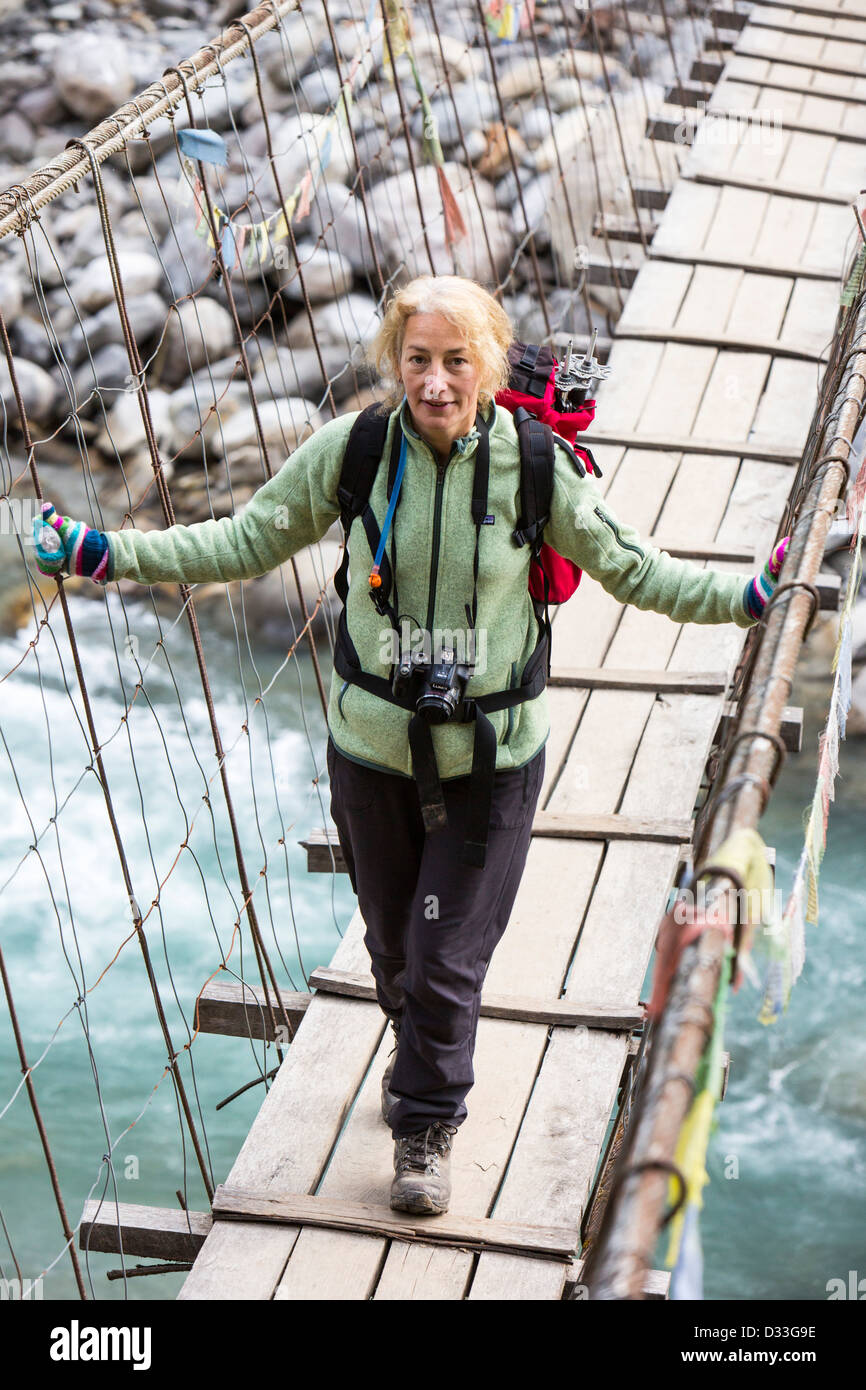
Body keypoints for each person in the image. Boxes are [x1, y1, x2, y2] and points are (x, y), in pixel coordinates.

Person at [32, 274, 789, 1217]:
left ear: (489, 365)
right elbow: (242, 543)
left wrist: (746, 600)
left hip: (494, 757)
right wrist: (108, 554)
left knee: (442, 964)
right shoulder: (352, 455)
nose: (436, 382)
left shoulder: (535, 467)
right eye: (418, 359)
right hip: (372, 751)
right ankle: (416, 1042)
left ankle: (424, 1131)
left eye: (456, 361)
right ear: (395, 363)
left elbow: (634, 568)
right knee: (396, 956)